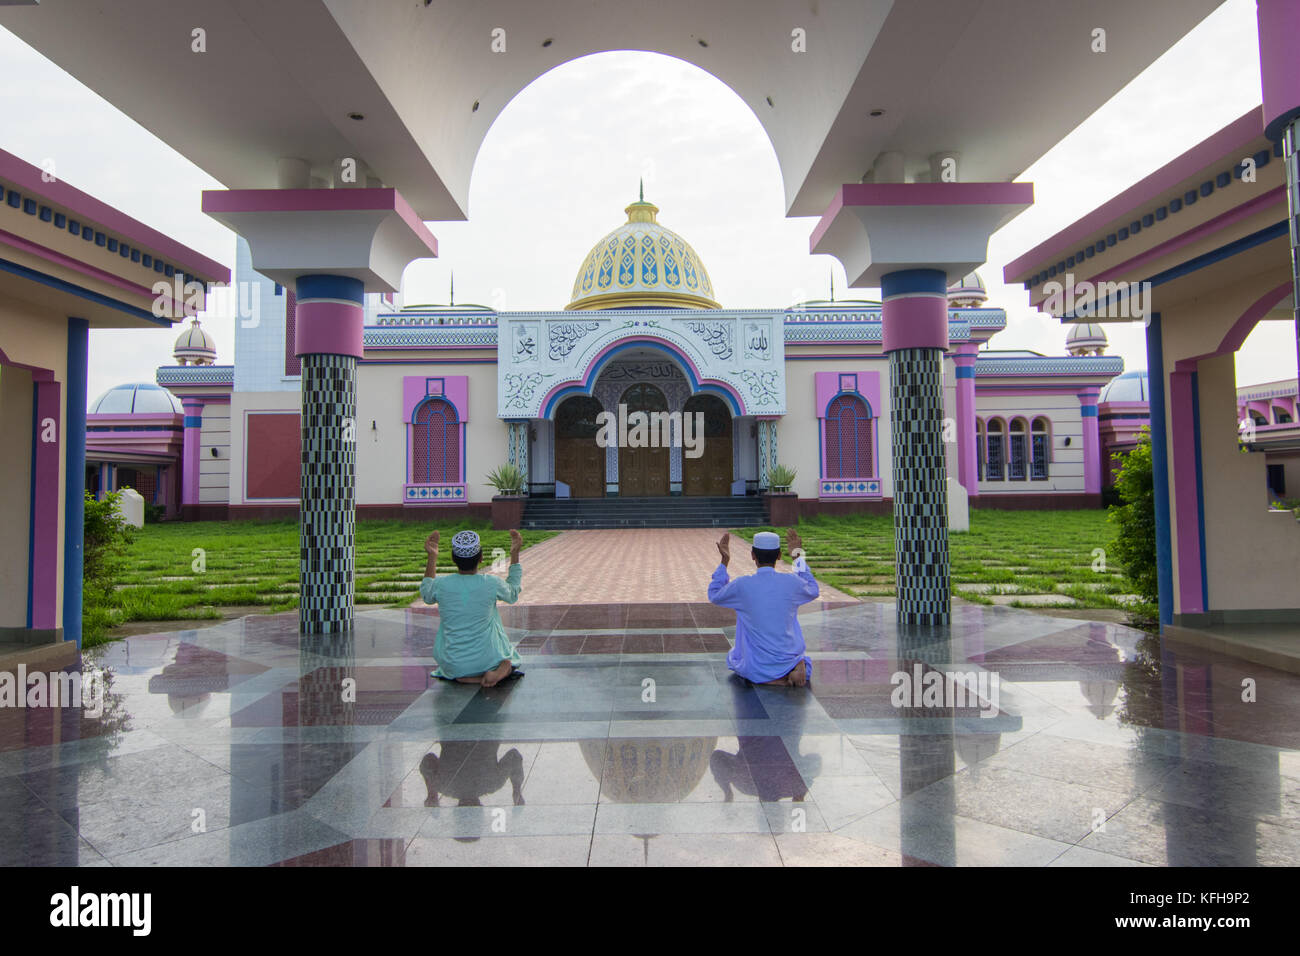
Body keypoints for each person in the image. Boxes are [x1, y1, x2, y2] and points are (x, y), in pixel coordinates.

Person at [707, 529, 819, 686]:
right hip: (788, 657)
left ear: (753, 555)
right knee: (794, 653)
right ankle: (793, 667)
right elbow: (813, 589)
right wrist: (797, 557)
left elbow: (714, 594)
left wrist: (724, 561)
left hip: (757, 665)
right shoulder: (792, 582)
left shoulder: (742, 585)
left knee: (734, 658)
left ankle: (776, 679)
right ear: (779, 556)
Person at [420, 528, 524, 686]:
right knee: (508, 659)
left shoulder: (441, 584)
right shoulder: (491, 583)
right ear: (481, 558)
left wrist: (432, 556)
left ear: (453, 559)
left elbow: (427, 594)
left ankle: (468, 678)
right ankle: (500, 671)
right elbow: (513, 594)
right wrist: (515, 553)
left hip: (453, 664)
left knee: (456, 670)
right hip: (488, 660)